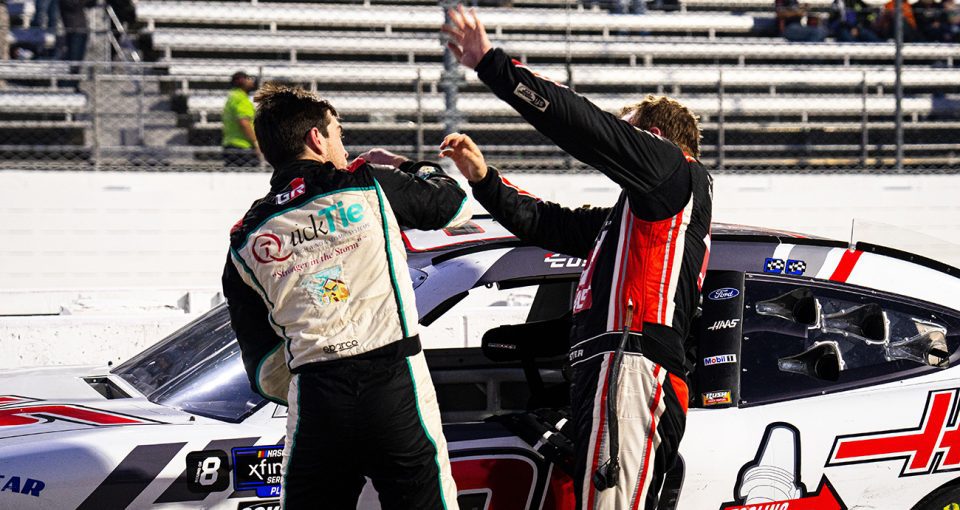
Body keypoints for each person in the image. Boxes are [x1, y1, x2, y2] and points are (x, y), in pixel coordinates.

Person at [442, 7, 712, 510]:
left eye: (627, 131)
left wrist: (494, 66)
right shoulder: (636, 215)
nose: (619, 141)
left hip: (632, 363)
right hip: (614, 367)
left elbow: (586, 127)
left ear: (651, 137)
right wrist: (483, 179)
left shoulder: (673, 169)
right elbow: (545, 222)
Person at [221, 83, 468, 510]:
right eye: (337, 133)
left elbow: (263, 364)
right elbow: (455, 205)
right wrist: (412, 166)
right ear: (316, 139)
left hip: (317, 396)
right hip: (394, 381)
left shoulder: (245, 236)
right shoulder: (367, 184)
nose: (342, 144)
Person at [222, 71, 262, 168]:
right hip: (243, 146)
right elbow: (244, 123)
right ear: (241, 81)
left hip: (230, 143)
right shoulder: (241, 99)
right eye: (248, 79)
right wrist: (256, 142)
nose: (251, 82)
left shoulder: (232, 97)